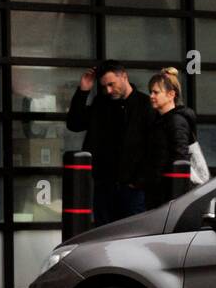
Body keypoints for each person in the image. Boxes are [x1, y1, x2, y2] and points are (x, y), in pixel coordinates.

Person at [65, 60, 156, 224]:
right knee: (104, 237)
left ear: (124, 77)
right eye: (104, 86)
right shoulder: (102, 102)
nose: (108, 90)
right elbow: (74, 123)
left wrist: (140, 181)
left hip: (133, 188)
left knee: (132, 236)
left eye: (112, 84)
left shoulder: (145, 105)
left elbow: (154, 146)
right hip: (104, 186)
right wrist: (84, 90)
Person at [145, 67, 197, 210]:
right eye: (150, 92)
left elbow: (180, 159)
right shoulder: (159, 120)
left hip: (169, 196)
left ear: (171, 94)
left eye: (156, 92)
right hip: (159, 192)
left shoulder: (176, 121)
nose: (151, 96)